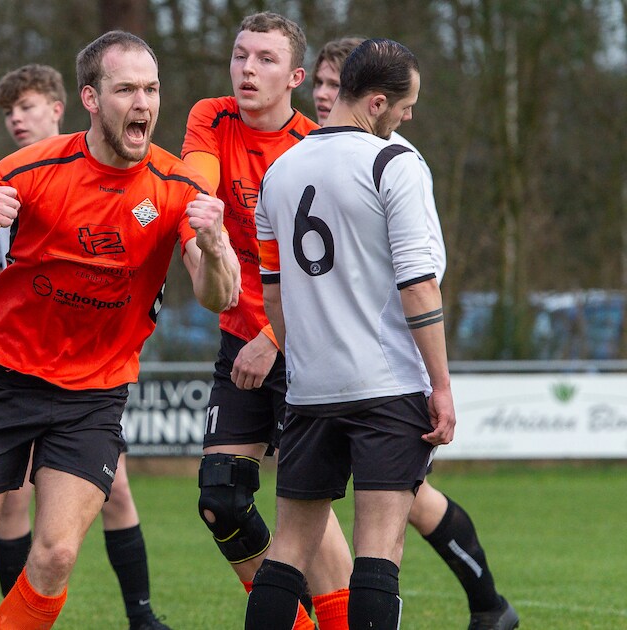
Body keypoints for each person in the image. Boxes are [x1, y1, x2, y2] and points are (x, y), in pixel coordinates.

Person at [0, 31, 240, 629]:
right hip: (1, 380)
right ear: (91, 98)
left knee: (58, 551)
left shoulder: (176, 189)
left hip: (93, 392)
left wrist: (218, 247)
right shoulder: (34, 167)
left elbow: (219, 296)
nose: (142, 103)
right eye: (125, 90)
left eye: (151, 89)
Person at [311, 36, 519, 630]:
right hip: (328, 366)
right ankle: (490, 607)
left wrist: (433, 375)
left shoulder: (397, 160)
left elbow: (423, 272)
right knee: (368, 511)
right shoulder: (311, 156)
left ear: (369, 98)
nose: (323, 95)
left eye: (332, 84)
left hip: (380, 370)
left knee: (399, 512)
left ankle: (487, 605)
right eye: (319, 85)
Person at [247, 37, 453, 629]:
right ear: (379, 102)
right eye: (407, 107)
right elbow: (419, 284)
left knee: (288, 551)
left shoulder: (279, 171)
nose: (408, 118)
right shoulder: (395, 163)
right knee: (378, 551)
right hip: (386, 386)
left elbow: (274, 291)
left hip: (311, 391)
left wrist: (300, 363)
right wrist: (440, 383)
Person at [0, 63, 170, 630]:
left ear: (66, 106)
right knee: (10, 503)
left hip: (93, 375)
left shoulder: (145, 178)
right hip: (19, 371)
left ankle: (142, 615)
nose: (17, 117)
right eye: (9, 111)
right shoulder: (12, 183)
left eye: (28, 105)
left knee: (114, 491)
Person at [180, 12, 352, 629]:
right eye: (240, 55)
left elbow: (328, 275)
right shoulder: (212, 115)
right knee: (220, 499)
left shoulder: (315, 149)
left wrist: (272, 338)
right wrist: (200, 226)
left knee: (305, 502)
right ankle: (298, 622)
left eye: (266, 60)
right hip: (237, 343)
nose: (248, 69)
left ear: (297, 77)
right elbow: (198, 188)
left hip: (302, 345)